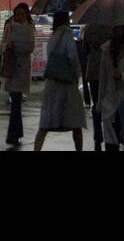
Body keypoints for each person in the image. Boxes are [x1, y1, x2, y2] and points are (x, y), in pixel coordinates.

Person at [35, 11, 86, 150]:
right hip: (67, 82)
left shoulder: (53, 37)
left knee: (45, 123)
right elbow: (72, 56)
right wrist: (77, 73)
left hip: (52, 82)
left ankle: (36, 149)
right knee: (75, 121)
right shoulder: (68, 35)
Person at [0, 2, 35, 147]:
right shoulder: (9, 27)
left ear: (26, 14)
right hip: (11, 65)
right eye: (17, 14)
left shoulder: (29, 28)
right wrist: (7, 46)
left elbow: (30, 47)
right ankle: (15, 133)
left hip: (22, 67)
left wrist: (18, 47)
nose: (19, 16)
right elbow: (2, 45)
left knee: (16, 101)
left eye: (21, 14)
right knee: (15, 101)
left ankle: (14, 134)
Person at [80, 21, 112, 151]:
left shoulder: (89, 27)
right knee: (109, 103)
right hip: (107, 68)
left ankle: (97, 135)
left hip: (93, 68)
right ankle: (110, 134)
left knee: (96, 103)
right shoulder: (110, 27)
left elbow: (84, 49)